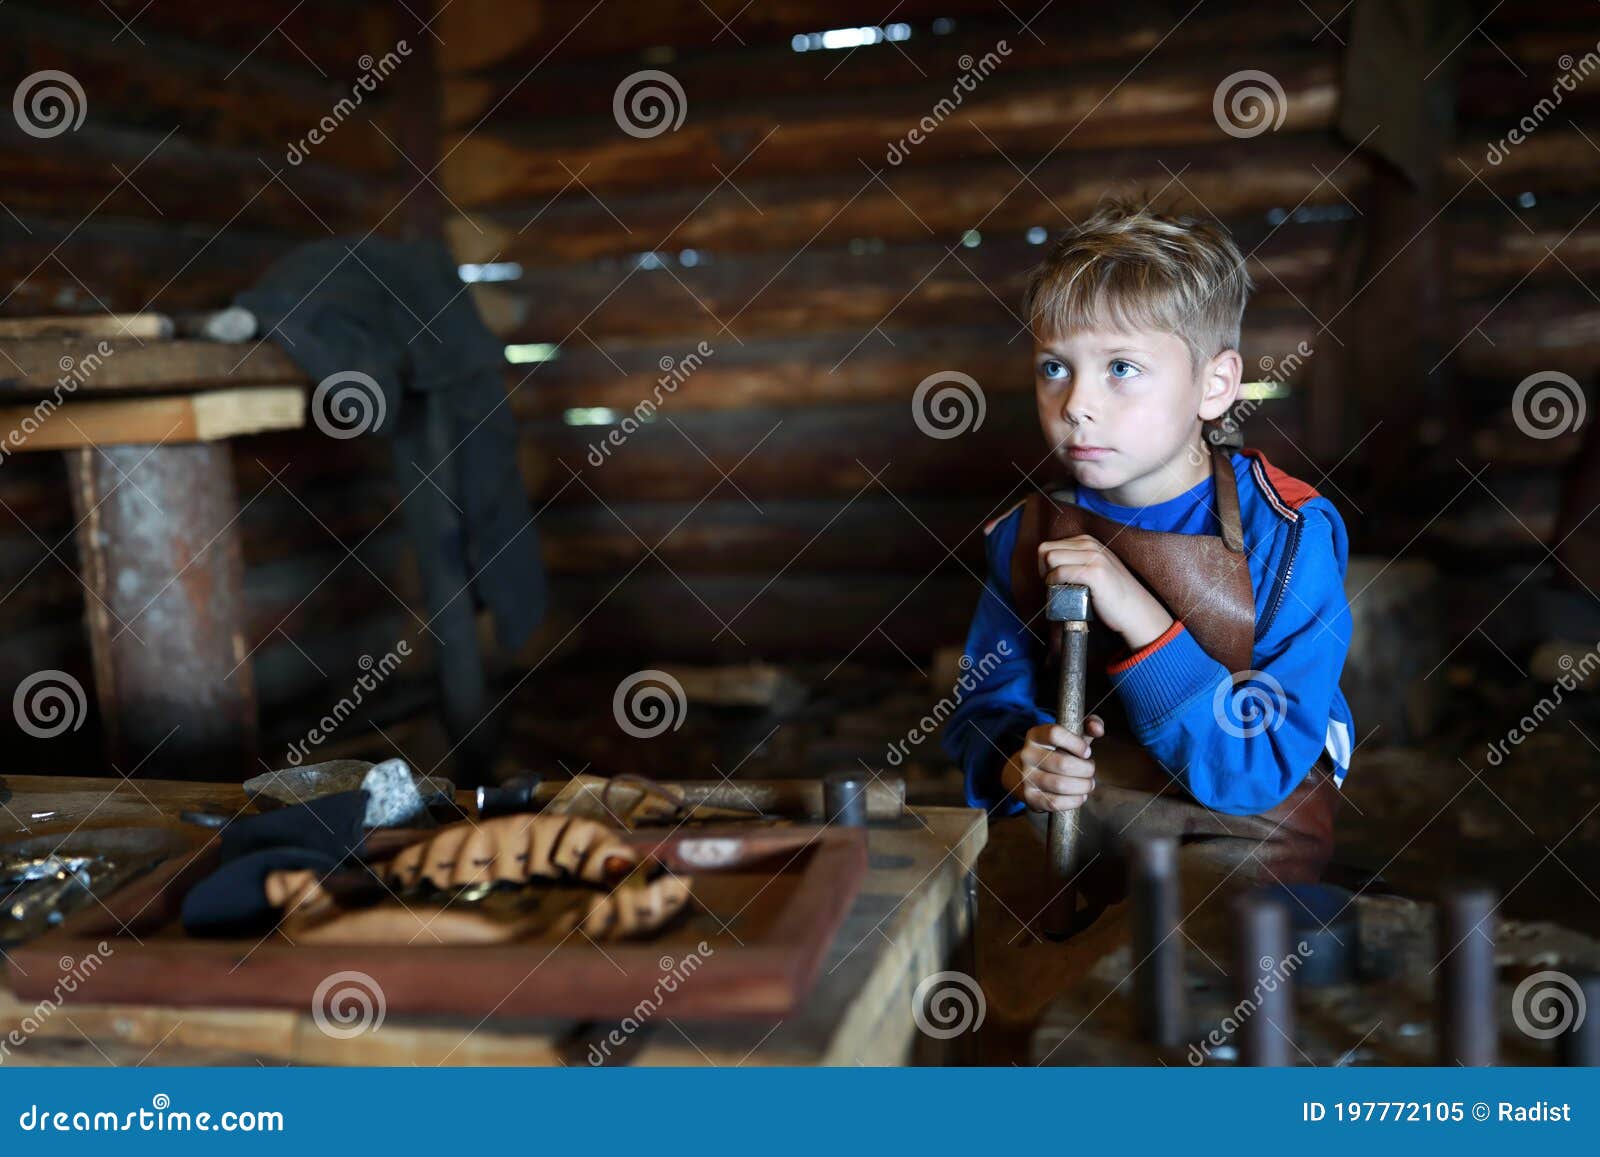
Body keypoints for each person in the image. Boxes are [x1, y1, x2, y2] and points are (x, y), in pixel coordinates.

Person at [940, 195, 1356, 888]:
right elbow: (982, 713)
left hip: (1238, 835)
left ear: (1216, 384)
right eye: (1054, 367)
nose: (1075, 403)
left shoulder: (1289, 533)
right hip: (1081, 833)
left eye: (1122, 368)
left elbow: (1257, 769)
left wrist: (1137, 613)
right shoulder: (1026, 537)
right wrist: (1019, 758)